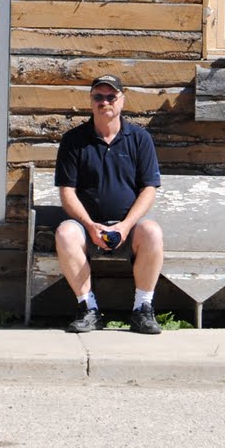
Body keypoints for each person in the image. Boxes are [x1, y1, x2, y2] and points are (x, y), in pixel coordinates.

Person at [53, 73, 164, 334]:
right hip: (86, 228)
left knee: (153, 232)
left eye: (111, 97)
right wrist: (90, 225)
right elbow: (67, 193)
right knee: (64, 233)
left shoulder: (140, 139)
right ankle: (88, 309)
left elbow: (149, 189)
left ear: (122, 101)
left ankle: (142, 310)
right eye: (98, 97)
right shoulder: (73, 141)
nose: (105, 102)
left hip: (128, 228)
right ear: (91, 102)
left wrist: (125, 226)